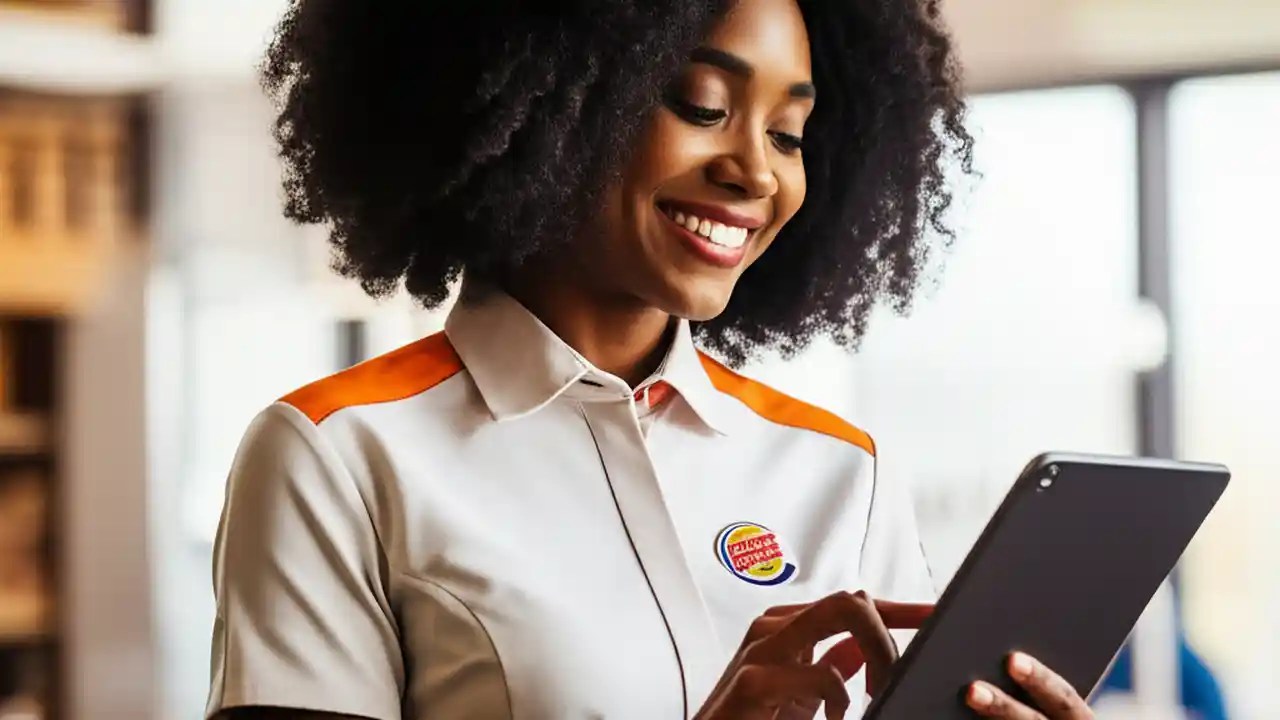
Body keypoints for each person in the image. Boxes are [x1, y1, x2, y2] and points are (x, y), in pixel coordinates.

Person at [206, 1, 1097, 718]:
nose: (755, 172)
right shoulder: (337, 454)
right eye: (704, 107)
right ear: (538, 102)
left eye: (789, 134)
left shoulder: (840, 471)